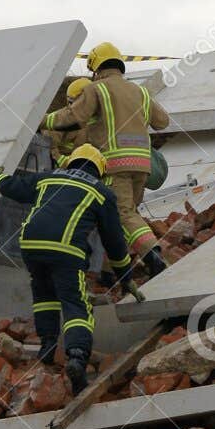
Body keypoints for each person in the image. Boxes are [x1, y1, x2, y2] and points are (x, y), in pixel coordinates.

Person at [0, 143, 132, 394]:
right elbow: (113, 241)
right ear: (100, 171)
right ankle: (77, 357)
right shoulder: (102, 193)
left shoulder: (48, 178)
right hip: (66, 249)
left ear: (70, 162)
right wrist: (126, 277)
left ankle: (48, 346)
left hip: (31, 245)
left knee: (44, 294)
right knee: (75, 303)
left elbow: (15, 187)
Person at [42, 41, 170, 275]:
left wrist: (42, 120)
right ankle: (113, 270)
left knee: (123, 214)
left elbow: (74, 116)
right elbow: (162, 122)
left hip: (115, 165)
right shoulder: (140, 91)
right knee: (126, 214)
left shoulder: (96, 89)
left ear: (96, 68)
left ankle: (154, 256)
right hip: (142, 165)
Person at [47, 76, 92, 165]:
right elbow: (49, 146)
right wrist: (65, 163)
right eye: (71, 103)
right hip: (64, 170)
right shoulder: (62, 118)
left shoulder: (95, 120)